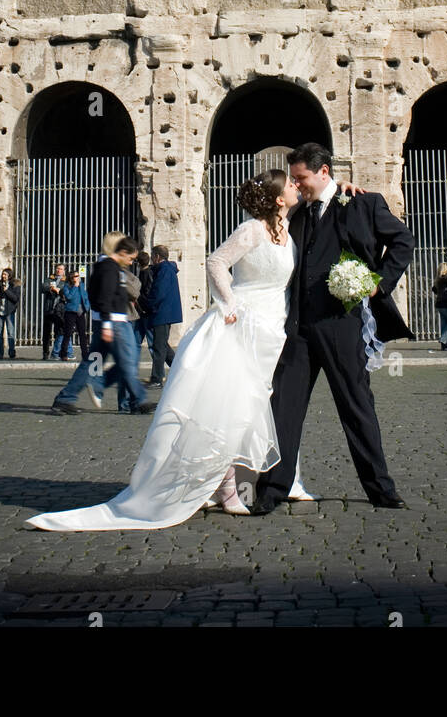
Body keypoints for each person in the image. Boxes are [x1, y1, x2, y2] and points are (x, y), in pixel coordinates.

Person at [27, 168, 302, 529]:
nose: (298, 186)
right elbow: (216, 261)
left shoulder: (287, 230)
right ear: (279, 198)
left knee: (256, 407)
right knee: (231, 408)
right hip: (244, 325)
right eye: (292, 184)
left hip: (272, 328)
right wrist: (230, 304)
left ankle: (259, 481)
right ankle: (228, 488)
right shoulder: (251, 229)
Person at [252, 143, 415, 516]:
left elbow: (403, 241)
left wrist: (379, 282)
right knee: (284, 409)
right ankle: (273, 489)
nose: (297, 184)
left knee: (357, 408)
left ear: (323, 172)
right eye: (293, 179)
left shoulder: (362, 203)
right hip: (300, 328)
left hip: (343, 326)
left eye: (302, 178)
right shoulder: (297, 213)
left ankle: (380, 488)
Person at [48, 234, 153, 417]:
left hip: (110, 321)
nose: (130, 263)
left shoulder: (107, 267)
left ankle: (66, 398)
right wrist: (106, 324)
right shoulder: (108, 268)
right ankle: (138, 399)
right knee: (127, 361)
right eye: (130, 258)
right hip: (115, 322)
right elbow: (104, 297)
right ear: (121, 251)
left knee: (92, 363)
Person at [144, 245, 183, 386]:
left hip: (162, 312)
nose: (151, 259)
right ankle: (179, 369)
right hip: (165, 311)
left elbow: (159, 292)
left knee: (159, 346)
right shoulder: (166, 269)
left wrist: (147, 304)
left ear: (157, 257)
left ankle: (157, 378)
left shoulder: (164, 270)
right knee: (162, 345)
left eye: (152, 256)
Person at [0, 267, 20, 361]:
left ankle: (11, 352)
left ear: (9, 275)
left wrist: (6, 290)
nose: (3, 276)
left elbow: (15, 298)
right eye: (3, 274)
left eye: (5, 274)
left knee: (11, 333)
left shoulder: (15, 285)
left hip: (9, 312)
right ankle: (0, 353)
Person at [59, 270, 90, 361]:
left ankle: (85, 355)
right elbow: (69, 297)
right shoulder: (66, 287)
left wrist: (87, 307)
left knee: (82, 334)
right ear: (71, 278)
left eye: (78, 276)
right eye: (75, 276)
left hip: (81, 312)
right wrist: (75, 287)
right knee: (68, 333)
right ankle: (63, 353)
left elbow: (85, 296)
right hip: (71, 312)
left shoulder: (82, 285)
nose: (77, 278)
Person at [42, 264, 68, 361]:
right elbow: (43, 288)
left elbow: (67, 292)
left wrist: (59, 291)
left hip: (59, 310)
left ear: (64, 271)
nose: (58, 270)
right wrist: (50, 288)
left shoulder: (66, 281)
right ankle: (45, 353)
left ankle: (57, 352)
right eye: (57, 268)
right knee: (46, 332)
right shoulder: (49, 279)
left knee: (59, 331)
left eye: (61, 269)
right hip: (49, 309)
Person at [133, 252, 154, 350]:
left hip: (145, 311)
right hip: (142, 311)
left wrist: (138, 299)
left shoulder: (147, 273)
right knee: (136, 339)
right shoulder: (145, 272)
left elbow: (147, 292)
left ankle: (160, 364)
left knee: (151, 341)